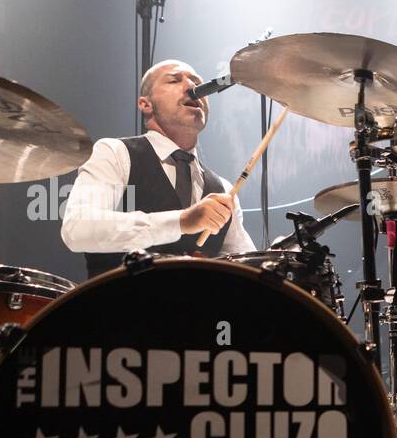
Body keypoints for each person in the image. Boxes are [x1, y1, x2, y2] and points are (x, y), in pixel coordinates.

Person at [62, 59, 255, 279]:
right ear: (146, 104)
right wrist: (181, 221)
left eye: (196, 82)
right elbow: (77, 229)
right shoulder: (115, 153)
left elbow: (247, 265)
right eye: (174, 80)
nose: (192, 88)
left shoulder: (223, 189)